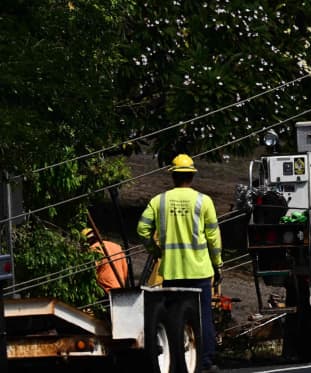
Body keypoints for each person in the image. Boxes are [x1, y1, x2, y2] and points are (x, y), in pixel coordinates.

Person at [137, 153, 223, 373]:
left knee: (175, 319)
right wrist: (217, 264)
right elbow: (213, 238)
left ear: (173, 177)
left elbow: (142, 230)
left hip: (173, 271)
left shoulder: (159, 201)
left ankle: (178, 361)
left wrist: (154, 250)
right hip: (200, 270)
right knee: (202, 316)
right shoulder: (204, 202)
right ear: (191, 176)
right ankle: (205, 361)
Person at [82, 227, 128, 293]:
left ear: (86, 241)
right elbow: (125, 270)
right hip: (120, 288)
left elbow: (91, 272)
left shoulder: (93, 250)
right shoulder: (117, 246)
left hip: (105, 290)